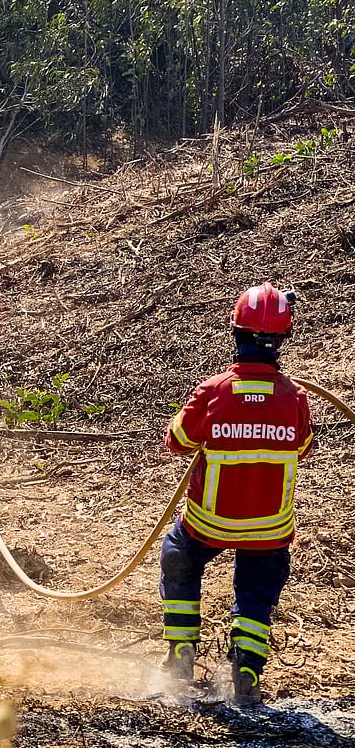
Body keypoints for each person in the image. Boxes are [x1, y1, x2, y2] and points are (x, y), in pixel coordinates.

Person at [160, 282, 314, 705]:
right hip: (269, 528)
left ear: (236, 333)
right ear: (283, 339)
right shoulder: (295, 398)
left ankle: (180, 653)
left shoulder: (213, 391)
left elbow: (176, 440)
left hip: (209, 522)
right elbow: (303, 445)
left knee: (178, 556)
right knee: (257, 590)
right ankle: (247, 665)